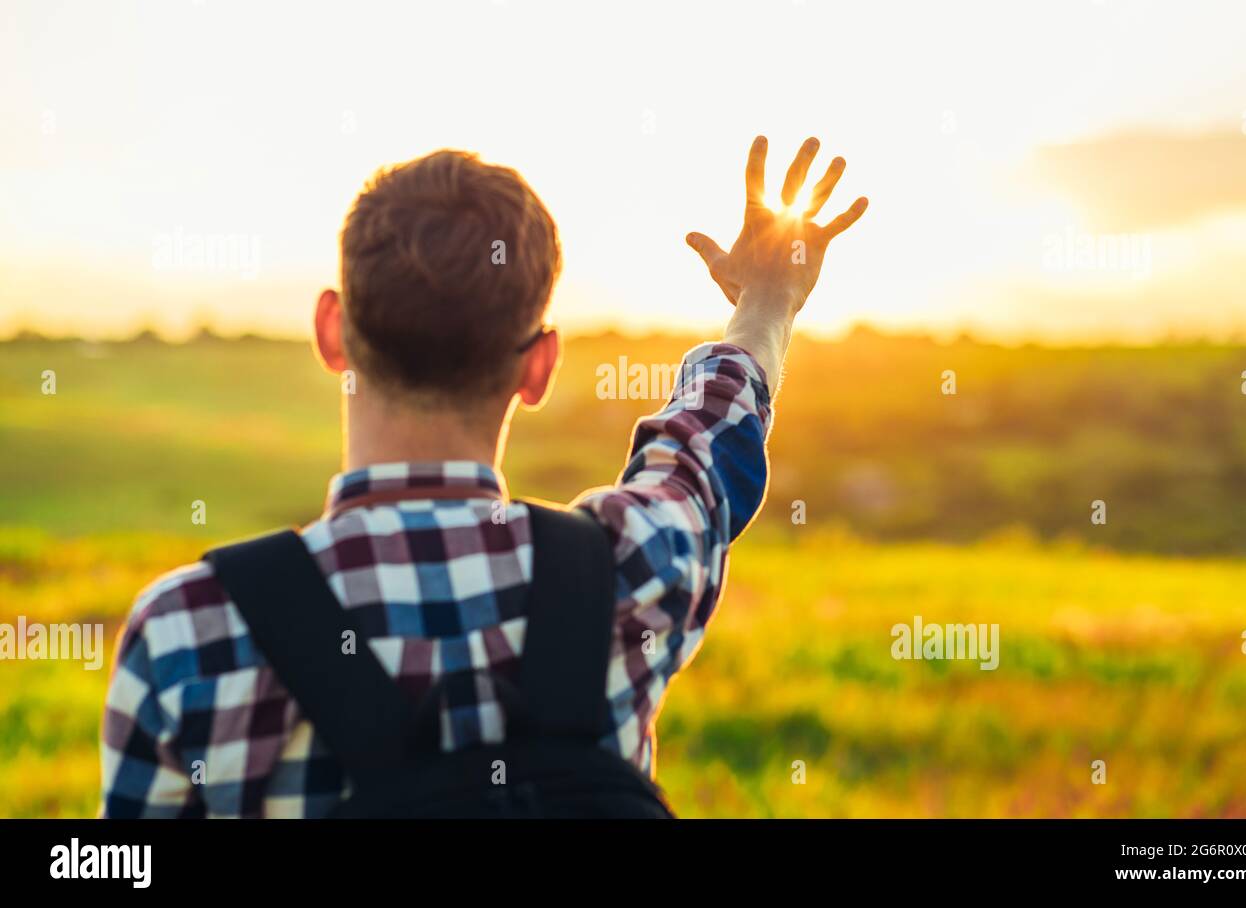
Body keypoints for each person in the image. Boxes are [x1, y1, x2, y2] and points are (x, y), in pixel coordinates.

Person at [99, 135, 868, 816]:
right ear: (539, 368)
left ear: (331, 333)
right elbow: (707, 449)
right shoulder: (630, 566)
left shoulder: (185, 635)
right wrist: (768, 300)